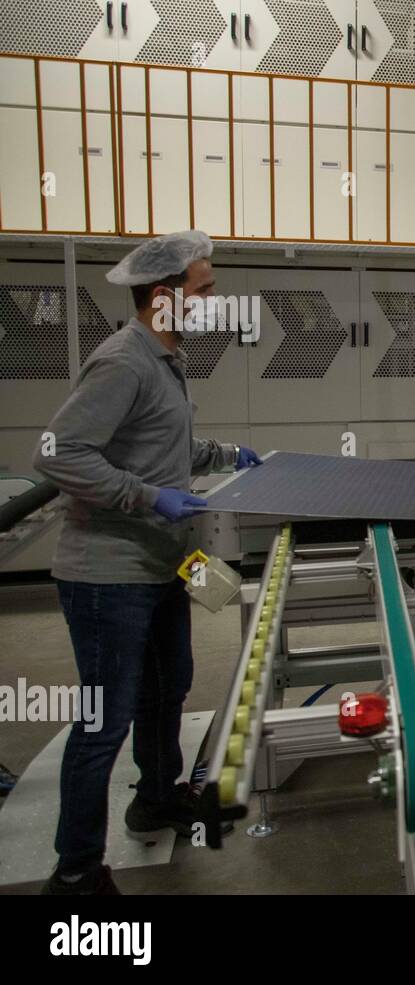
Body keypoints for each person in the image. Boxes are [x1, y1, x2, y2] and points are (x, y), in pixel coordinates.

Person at [33, 230, 262, 895]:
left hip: (164, 564)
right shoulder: (124, 361)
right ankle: (75, 870)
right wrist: (145, 496)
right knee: (105, 720)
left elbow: (161, 445)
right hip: (108, 575)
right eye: (205, 290)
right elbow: (58, 452)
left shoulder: (168, 357)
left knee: (169, 689)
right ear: (164, 298)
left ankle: (157, 796)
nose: (213, 302)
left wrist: (226, 454)